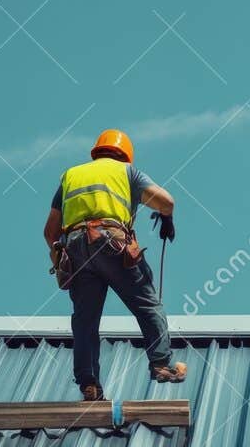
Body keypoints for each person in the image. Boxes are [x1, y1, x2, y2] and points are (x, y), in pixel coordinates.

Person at [43, 129, 184, 401]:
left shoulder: (70, 176)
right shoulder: (126, 172)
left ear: (96, 150)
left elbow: (50, 232)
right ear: (126, 155)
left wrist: (63, 256)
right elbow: (167, 202)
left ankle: (89, 384)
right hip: (112, 243)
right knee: (147, 304)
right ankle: (161, 364)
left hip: (75, 250)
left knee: (85, 320)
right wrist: (167, 218)